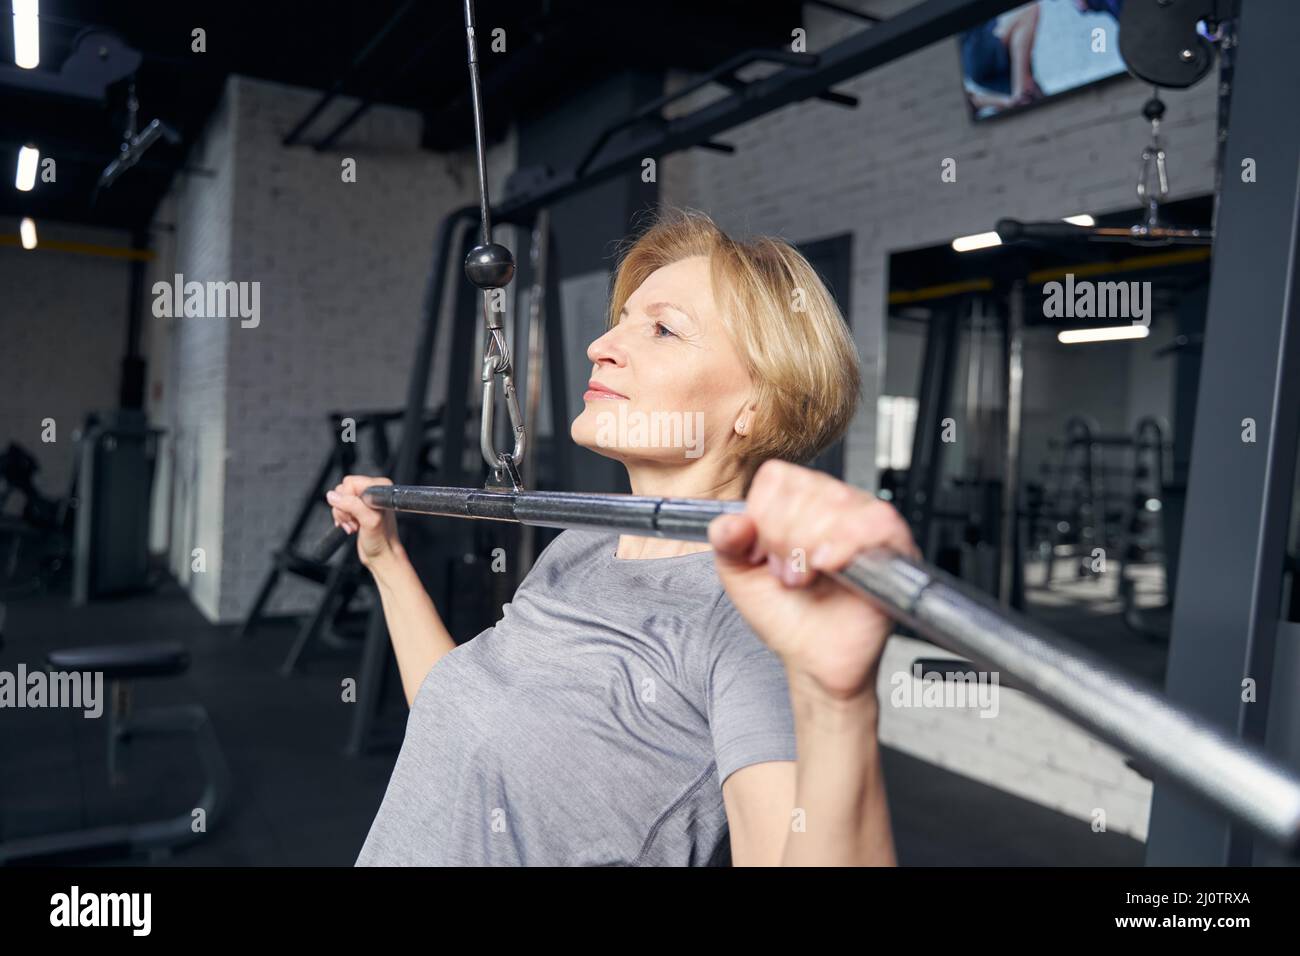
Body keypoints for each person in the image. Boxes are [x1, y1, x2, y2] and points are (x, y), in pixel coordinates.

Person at [328, 206, 918, 866]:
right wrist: (386, 558)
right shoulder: (583, 543)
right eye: (623, 320)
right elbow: (460, 714)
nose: (600, 345)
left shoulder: (748, 619)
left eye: (663, 329)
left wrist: (837, 706)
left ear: (757, 405)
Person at [961, 3, 1045, 113]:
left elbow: (973, 101)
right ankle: (1020, 93)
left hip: (994, 79)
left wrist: (1006, 101)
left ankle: (1020, 95)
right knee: (1029, 9)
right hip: (976, 50)